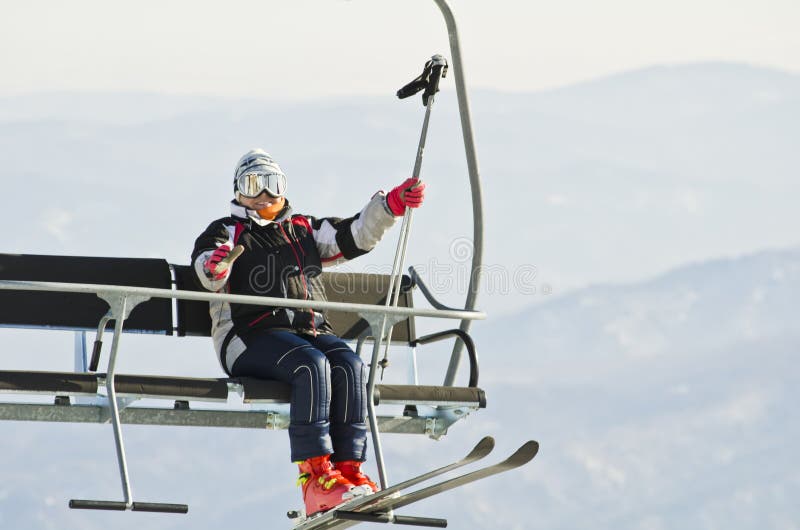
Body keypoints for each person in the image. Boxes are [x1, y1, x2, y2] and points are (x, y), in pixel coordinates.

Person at [191, 148, 425, 515]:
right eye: (254, 185)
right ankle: (315, 479)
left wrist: (390, 206)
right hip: (249, 336)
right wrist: (217, 266)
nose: (265, 195)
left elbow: (354, 235)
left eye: (272, 184)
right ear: (238, 191)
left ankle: (348, 472)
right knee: (310, 365)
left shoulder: (304, 230)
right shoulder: (227, 230)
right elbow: (206, 268)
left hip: (308, 330)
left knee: (350, 365)